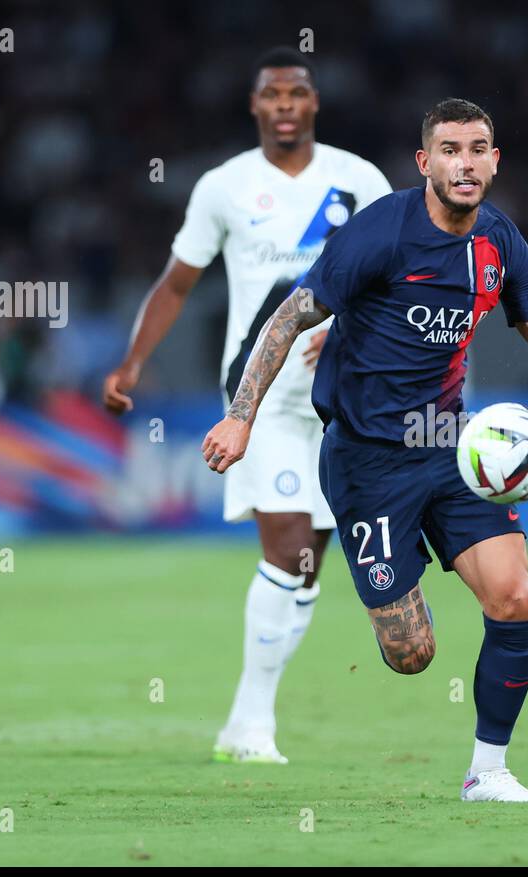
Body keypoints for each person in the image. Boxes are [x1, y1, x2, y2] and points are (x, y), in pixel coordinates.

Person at [200, 98, 528, 801]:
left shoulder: (499, 239)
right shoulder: (380, 233)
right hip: (366, 461)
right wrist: (241, 418)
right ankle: (391, 576)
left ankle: (489, 772)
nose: (465, 163)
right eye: (450, 150)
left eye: (478, 149)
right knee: (412, 654)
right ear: (425, 163)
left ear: (495, 162)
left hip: (450, 446)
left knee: (515, 597)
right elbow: (291, 317)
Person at [102, 48, 392, 764]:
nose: (285, 104)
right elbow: (177, 283)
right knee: (289, 548)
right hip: (257, 399)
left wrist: (356, 329)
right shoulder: (224, 187)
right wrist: (134, 361)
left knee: (307, 568)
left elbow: (399, 274)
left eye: (297, 92)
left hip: (345, 400)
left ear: (314, 102)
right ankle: (256, 725)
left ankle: (241, 720)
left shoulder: (361, 180)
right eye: (272, 94)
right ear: (255, 106)